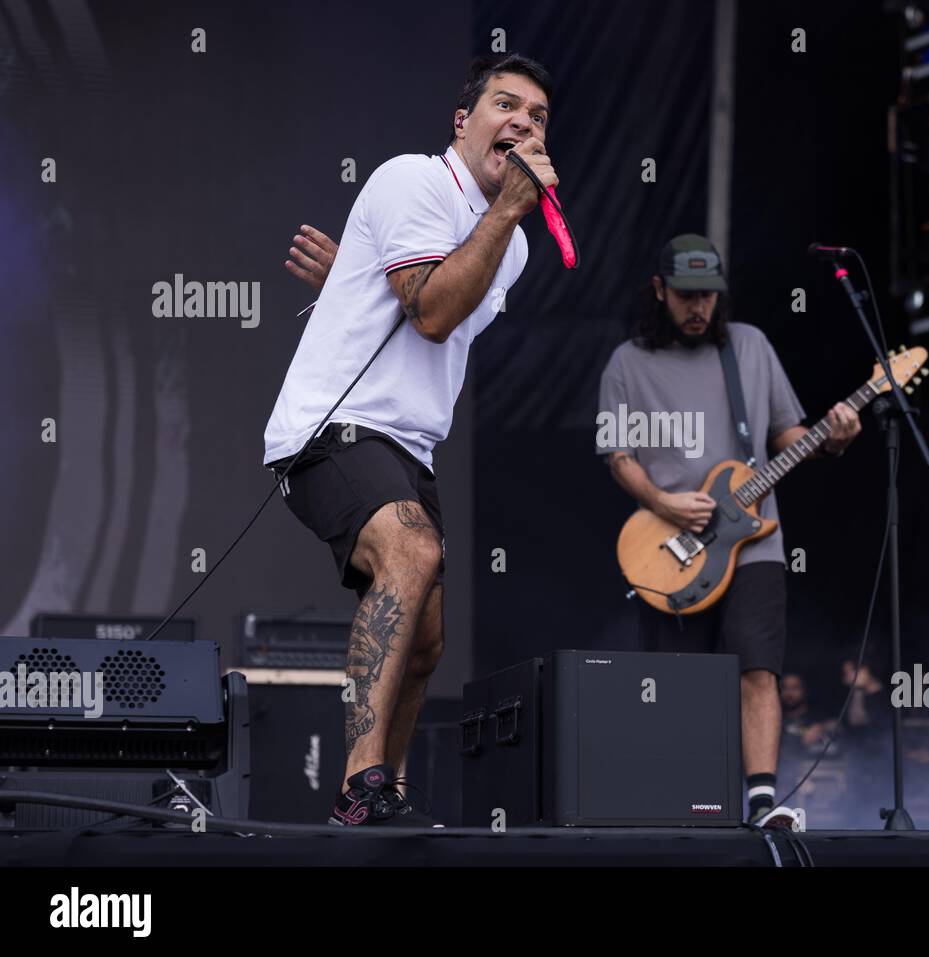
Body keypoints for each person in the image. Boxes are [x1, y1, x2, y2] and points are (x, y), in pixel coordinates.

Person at [266, 53, 558, 826]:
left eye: (539, 115)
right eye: (507, 105)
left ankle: (379, 797)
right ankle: (359, 782)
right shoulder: (411, 180)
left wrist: (356, 278)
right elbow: (428, 307)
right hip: (331, 429)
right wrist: (503, 214)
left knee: (426, 644)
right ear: (463, 122)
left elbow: (436, 322)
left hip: (408, 447)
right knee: (413, 552)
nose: (525, 122)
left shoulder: (516, 247)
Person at [596, 235, 863, 827]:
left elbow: (788, 437)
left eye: (710, 298)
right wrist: (664, 502)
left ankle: (762, 801)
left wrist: (834, 438)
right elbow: (618, 455)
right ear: (660, 291)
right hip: (670, 545)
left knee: (757, 665)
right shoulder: (627, 364)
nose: (699, 309)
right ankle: (682, 801)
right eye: (687, 297)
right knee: (678, 680)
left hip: (756, 542)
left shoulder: (750, 347)